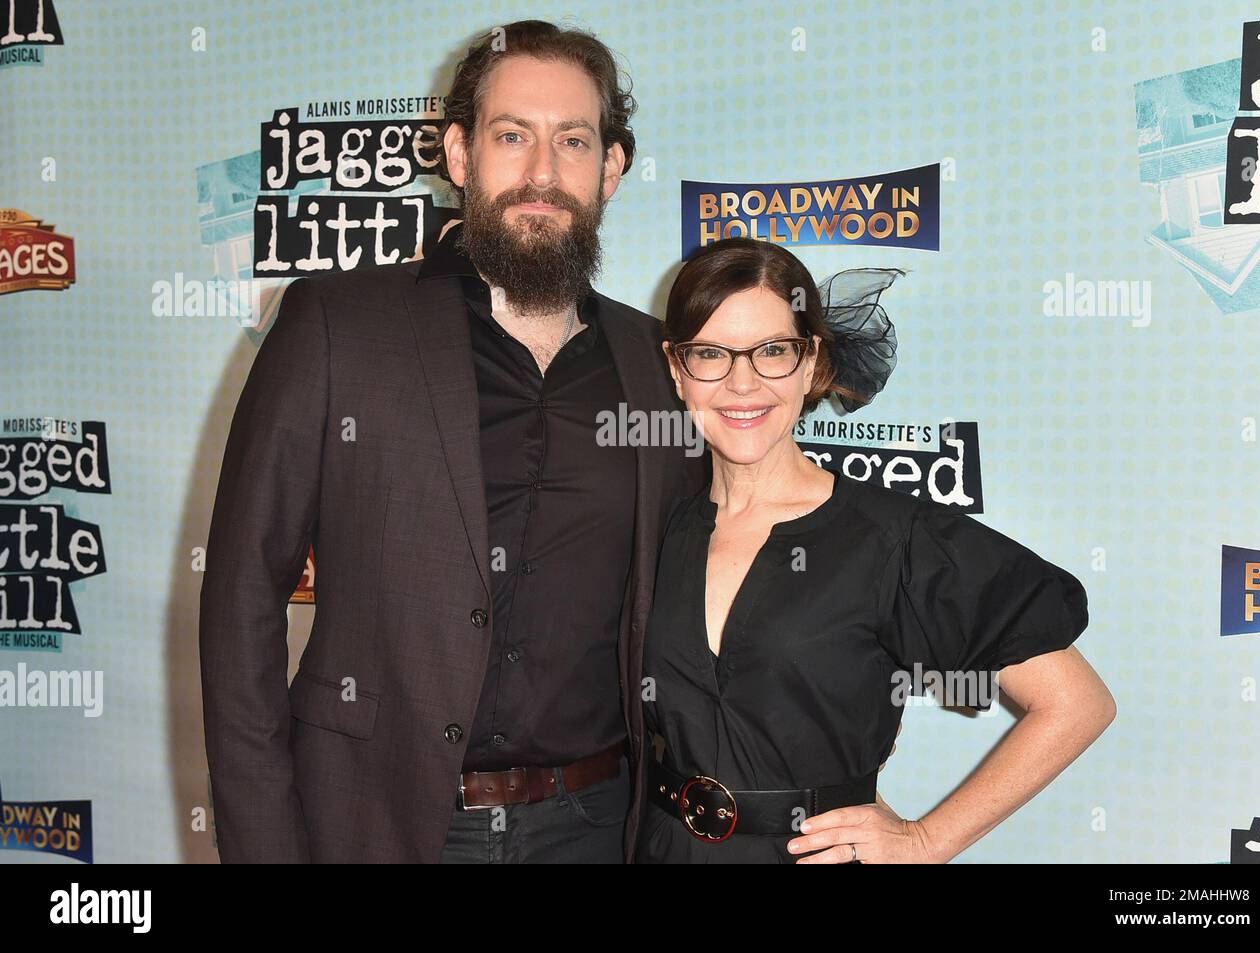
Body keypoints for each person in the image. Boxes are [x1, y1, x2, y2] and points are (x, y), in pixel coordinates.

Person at [198, 20, 707, 863]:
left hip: (596, 828)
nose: (542, 172)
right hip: (372, 824)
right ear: (460, 153)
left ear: (611, 168)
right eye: (512, 136)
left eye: (572, 141)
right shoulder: (336, 325)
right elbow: (241, 598)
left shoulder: (663, 367)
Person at [635, 237, 1117, 864]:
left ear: (811, 362)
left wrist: (928, 840)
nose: (742, 382)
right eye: (710, 354)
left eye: (773, 351)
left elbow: (1077, 703)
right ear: (677, 370)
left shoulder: (893, 538)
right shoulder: (660, 529)